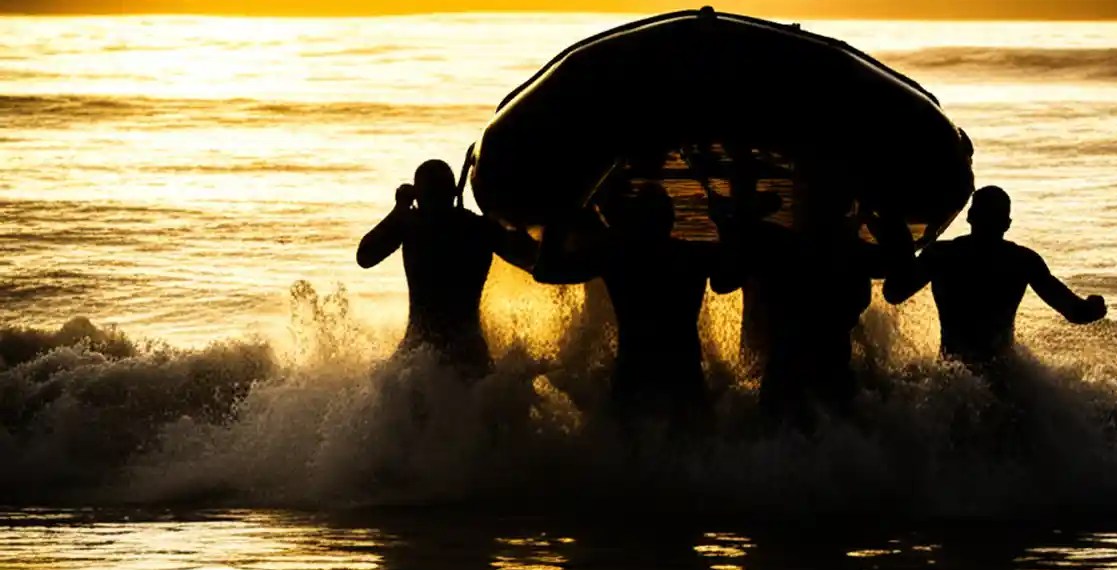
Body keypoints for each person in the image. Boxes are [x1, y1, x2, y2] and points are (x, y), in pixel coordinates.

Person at [717, 173, 915, 429]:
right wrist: (873, 217)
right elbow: (901, 259)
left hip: (785, 374)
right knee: (834, 438)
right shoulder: (854, 253)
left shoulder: (775, 242)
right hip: (832, 372)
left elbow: (722, 281)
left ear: (801, 207)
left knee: (781, 440)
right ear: (845, 210)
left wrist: (736, 222)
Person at [535, 180, 737, 428]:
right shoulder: (692, 255)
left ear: (634, 222)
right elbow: (729, 278)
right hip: (684, 380)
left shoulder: (618, 256)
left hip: (633, 379)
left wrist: (561, 213)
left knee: (629, 456)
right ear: (671, 221)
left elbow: (546, 271)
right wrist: (726, 223)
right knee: (694, 453)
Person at [882, 185, 1107, 370]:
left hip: (954, 380)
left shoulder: (941, 255)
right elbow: (1077, 313)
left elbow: (894, 293)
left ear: (969, 216)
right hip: (1005, 381)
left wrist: (897, 241)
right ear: (1007, 224)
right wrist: (1094, 307)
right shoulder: (1022, 261)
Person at [357, 159, 523, 379]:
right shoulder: (480, 228)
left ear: (418, 196)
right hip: (469, 355)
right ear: (454, 193)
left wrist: (399, 209)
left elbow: (365, 256)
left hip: (419, 353)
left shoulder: (411, 225)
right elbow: (531, 258)